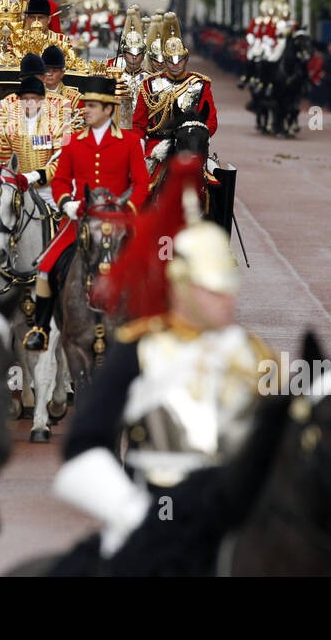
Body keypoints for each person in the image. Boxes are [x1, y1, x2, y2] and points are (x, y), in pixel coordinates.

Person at [52, 154, 267, 561]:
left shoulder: (250, 353)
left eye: (229, 286)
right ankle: (39, 322)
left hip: (228, 527)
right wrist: (133, 514)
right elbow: (83, 448)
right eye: (213, 288)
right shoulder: (140, 350)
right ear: (183, 287)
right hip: (151, 515)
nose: (228, 299)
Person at [25, 76, 150, 352]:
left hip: (118, 222)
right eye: (85, 105)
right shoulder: (72, 143)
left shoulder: (129, 142)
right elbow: (59, 180)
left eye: (92, 105)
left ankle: (150, 327)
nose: (85, 110)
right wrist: (65, 201)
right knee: (45, 267)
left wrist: (128, 209)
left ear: (108, 109)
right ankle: (41, 329)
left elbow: (142, 183)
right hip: (80, 219)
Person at [132, 12, 218, 175]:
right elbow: (138, 123)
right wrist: (141, 146)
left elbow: (211, 121)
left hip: (190, 146)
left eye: (180, 60)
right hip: (155, 146)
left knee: (217, 177)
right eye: (171, 60)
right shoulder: (150, 85)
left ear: (186, 59)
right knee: (139, 183)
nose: (176, 64)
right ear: (165, 60)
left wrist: (194, 139)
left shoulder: (200, 85)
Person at [0, 61, 77, 208]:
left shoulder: (55, 120)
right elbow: (2, 154)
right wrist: (6, 136)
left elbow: (63, 159)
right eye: (25, 99)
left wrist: (36, 176)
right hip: (15, 185)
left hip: (48, 188)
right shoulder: (10, 113)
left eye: (33, 99)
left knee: (67, 217)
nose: (29, 103)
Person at [112, 6, 150, 123]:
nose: (134, 57)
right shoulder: (113, 76)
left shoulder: (150, 80)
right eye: (130, 53)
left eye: (138, 53)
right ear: (123, 54)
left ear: (143, 55)